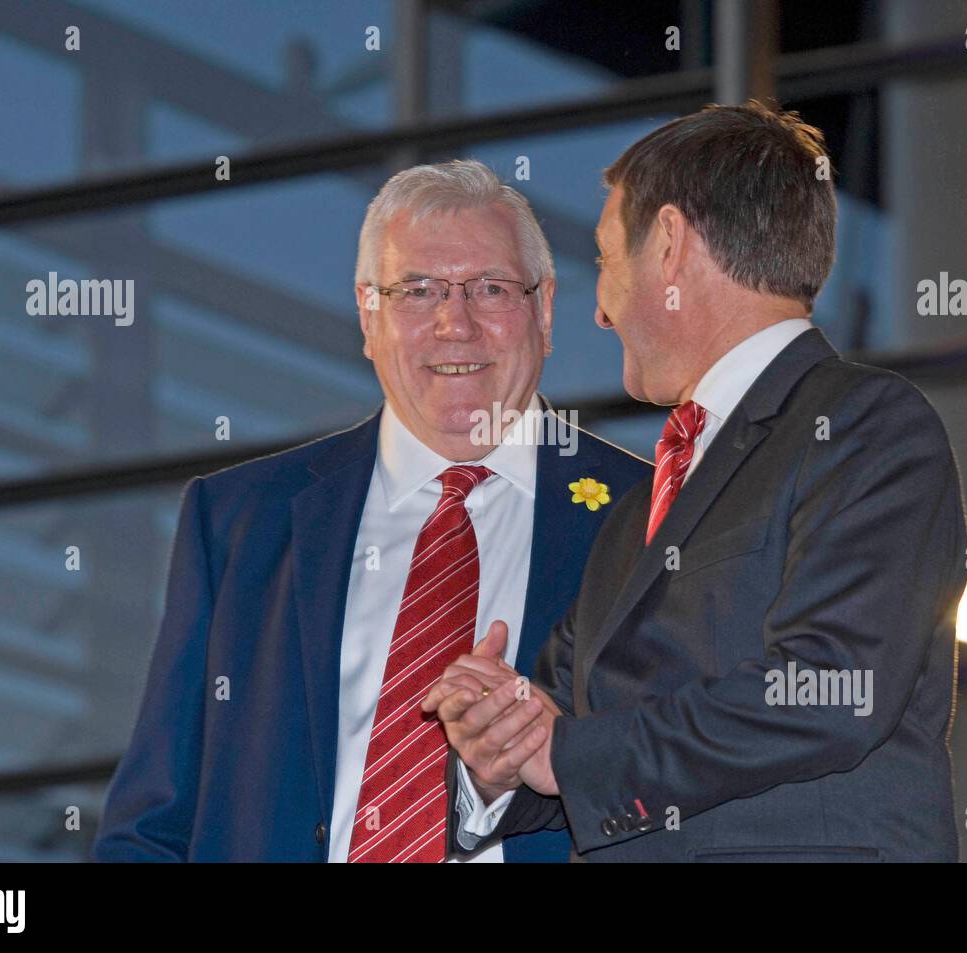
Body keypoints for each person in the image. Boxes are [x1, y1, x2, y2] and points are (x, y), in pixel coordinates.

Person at [428, 103, 967, 862]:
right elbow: (557, 737)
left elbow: (831, 688)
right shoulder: (636, 514)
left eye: (607, 259)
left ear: (673, 245)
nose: (600, 307)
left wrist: (565, 755)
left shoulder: (866, 425)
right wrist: (496, 746)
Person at [93, 159, 649, 862]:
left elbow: (693, 797)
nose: (456, 323)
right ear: (368, 314)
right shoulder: (237, 521)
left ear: (543, 311)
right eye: (417, 290)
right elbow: (152, 827)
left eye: (491, 288)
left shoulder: (654, 517)